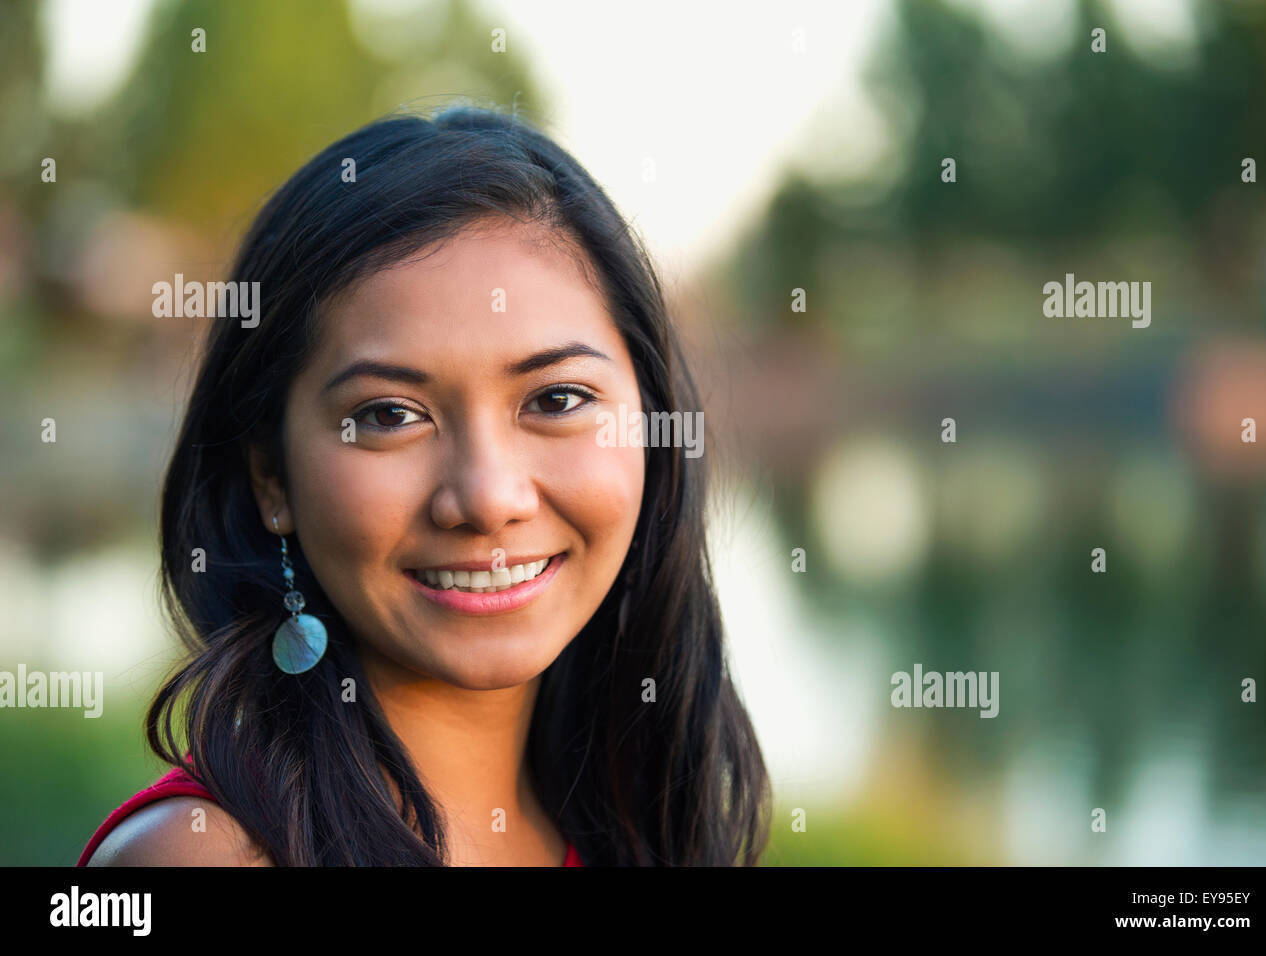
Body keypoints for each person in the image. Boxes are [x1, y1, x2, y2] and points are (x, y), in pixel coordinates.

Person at [79, 105, 770, 866]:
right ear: (271, 476)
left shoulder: (639, 822)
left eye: (557, 400)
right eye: (388, 415)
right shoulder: (204, 857)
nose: (485, 497)